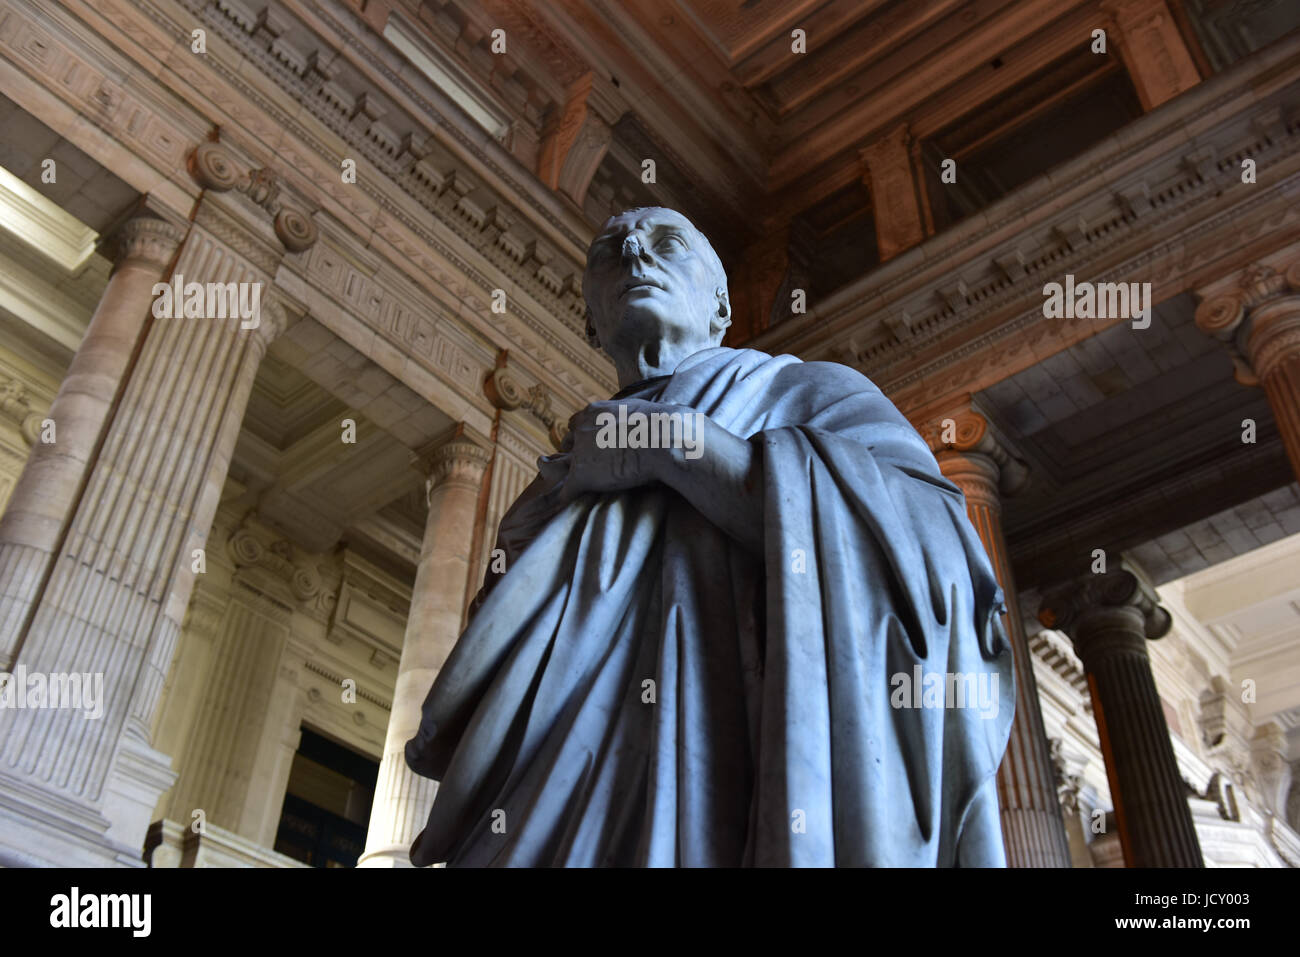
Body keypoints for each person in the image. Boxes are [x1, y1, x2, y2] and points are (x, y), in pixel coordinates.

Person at [405, 207, 1014, 866]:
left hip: (733, 795)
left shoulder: (811, 392)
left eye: (665, 241)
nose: (635, 248)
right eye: (610, 251)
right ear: (588, 322)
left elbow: (942, 563)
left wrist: (676, 445)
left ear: (721, 306)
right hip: (546, 815)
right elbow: (491, 697)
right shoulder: (556, 481)